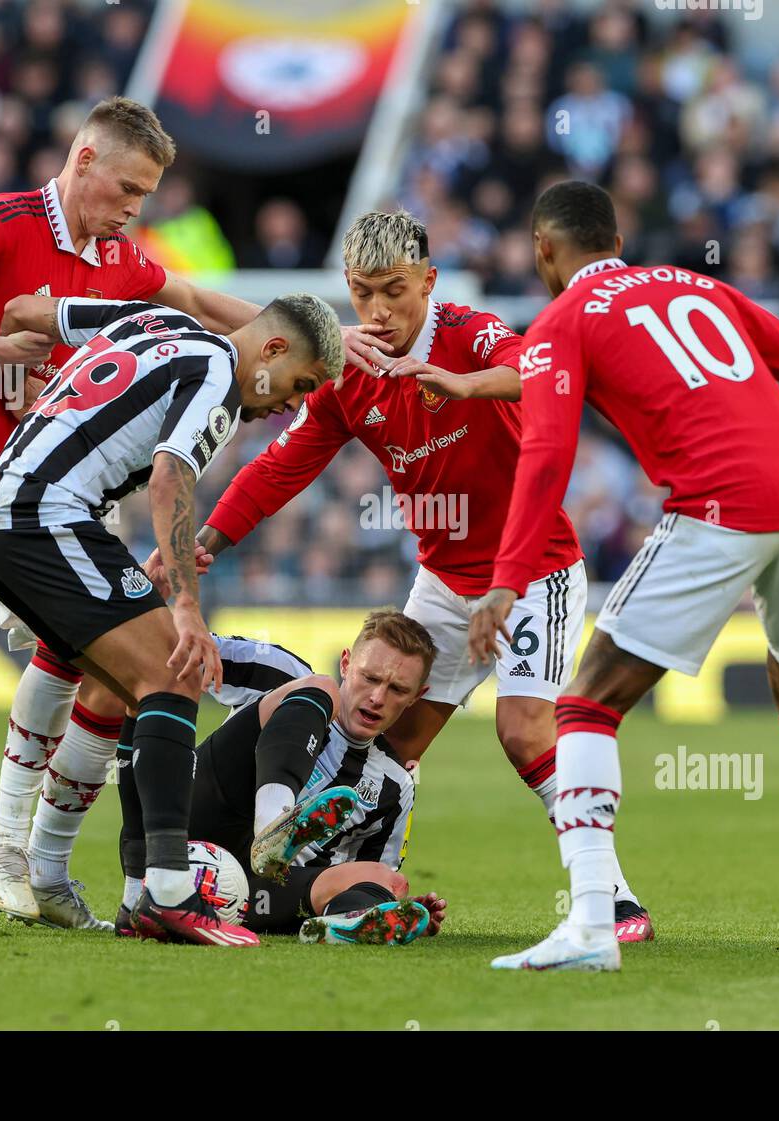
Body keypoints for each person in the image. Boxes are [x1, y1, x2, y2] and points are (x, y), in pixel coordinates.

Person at [470, 180, 779, 975]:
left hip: (717, 508)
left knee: (584, 707)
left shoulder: (563, 318)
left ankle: (592, 925)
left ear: (543, 248)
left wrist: (506, 578)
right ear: (615, 235)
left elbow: (545, 455)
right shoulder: (699, 283)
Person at [194, 209, 654, 943]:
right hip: (442, 583)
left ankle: (614, 901)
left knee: (523, 731)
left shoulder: (470, 335)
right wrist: (206, 539)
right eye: (363, 293)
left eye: (395, 292)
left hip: (532, 567)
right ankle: (341, 888)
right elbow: (285, 463)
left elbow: (543, 374)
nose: (378, 312)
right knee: (384, 745)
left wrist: (466, 385)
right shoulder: (350, 373)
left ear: (429, 283)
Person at [0, 97, 267, 929]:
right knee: (82, 642)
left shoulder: (119, 256)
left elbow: (192, 297)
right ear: (82, 161)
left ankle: (46, 863)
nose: (133, 208)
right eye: (125, 187)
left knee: (121, 668)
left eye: (146, 195)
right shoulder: (2, 224)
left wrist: (306, 335)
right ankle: (9, 848)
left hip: (66, 495)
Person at [0, 290, 345, 946]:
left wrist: (16, 366)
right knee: (176, 666)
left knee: (113, 686)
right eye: (298, 385)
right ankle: (164, 891)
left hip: (10, 509)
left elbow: (28, 311)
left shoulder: (158, 321)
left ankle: (87, 879)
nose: (290, 404)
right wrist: (189, 607)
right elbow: (171, 473)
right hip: (41, 519)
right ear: (273, 349)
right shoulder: (220, 374)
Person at [115, 615, 449, 945]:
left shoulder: (394, 784)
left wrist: (386, 905)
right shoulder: (284, 672)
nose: (377, 697)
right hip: (187, 832)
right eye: (370, 677)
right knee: (318, 687)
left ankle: (339, 927)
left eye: (397, 689)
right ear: (346, 663)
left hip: (258, 893)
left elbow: (371, 875)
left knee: (390, 880)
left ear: (416, 696)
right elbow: (167, 650)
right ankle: (273, 822)